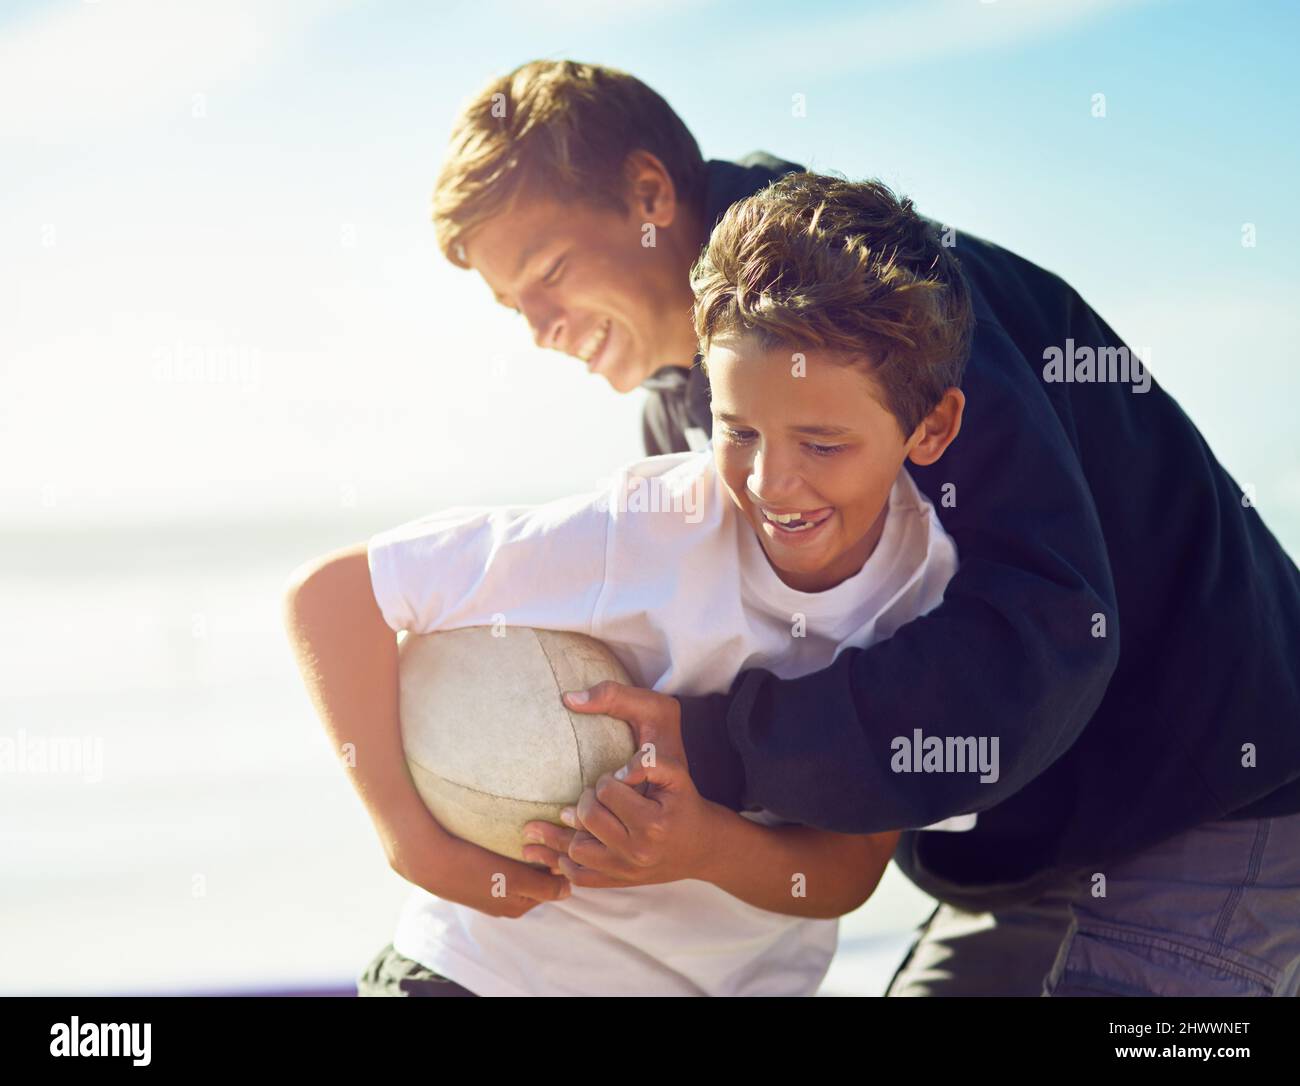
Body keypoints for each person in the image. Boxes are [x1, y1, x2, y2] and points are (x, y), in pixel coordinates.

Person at [421, 59, 1300, 997]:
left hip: (1214, 797)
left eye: (550, 274)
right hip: (1021, 850)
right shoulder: (685, 409)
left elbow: (1041, 637)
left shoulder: (873, 304)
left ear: (648, 192)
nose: (543, 329)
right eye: (516, 307)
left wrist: (722, 747)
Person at [285, 173, 978, 995]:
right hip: (485, 975)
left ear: (931, 426)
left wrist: (702, 848)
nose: (770, 481)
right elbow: (334, 596)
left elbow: (851, 868)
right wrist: (412, 842)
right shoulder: (644, 528)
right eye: (739, 431)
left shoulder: (934, 607)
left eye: (822, 445)